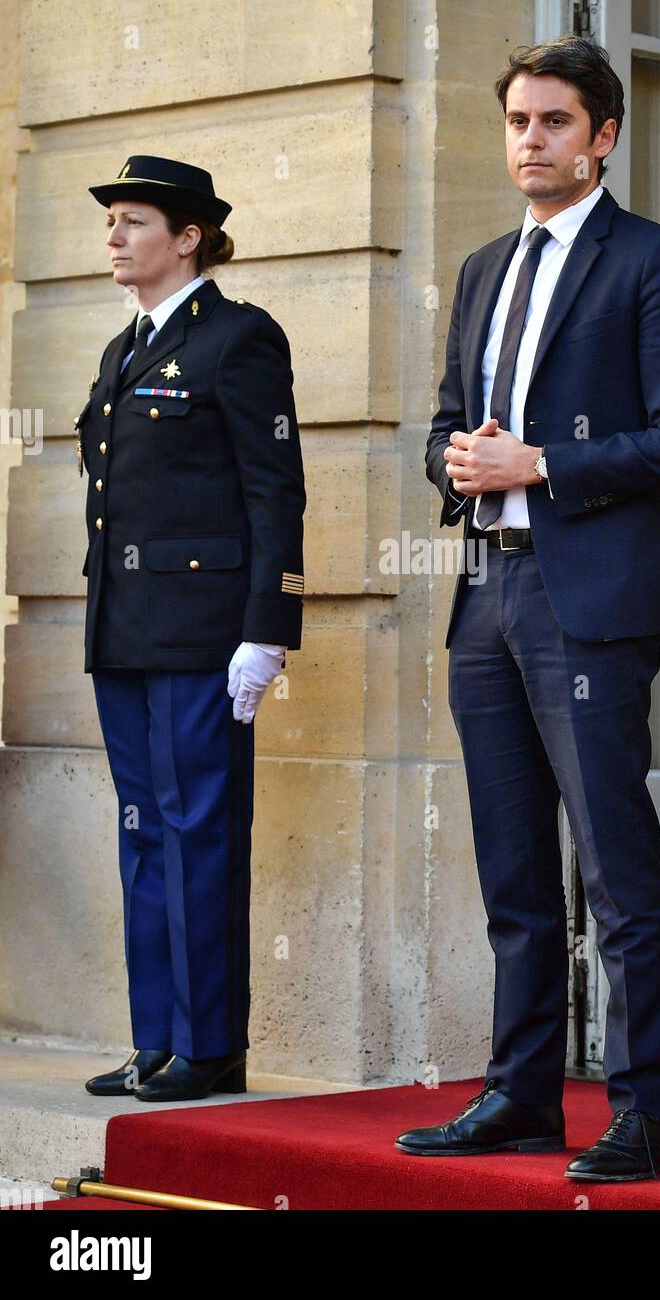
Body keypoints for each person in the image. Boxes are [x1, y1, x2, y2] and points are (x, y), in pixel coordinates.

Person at [396, 37, 660, 1180]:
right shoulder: (485, 266)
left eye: (550, 123)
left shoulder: (650, 259)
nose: (527, 141)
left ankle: (644, 1111)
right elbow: (442, 424)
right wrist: (461, 463)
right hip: (485, 596)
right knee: (513, 872)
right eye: (515, 123)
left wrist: (538, 464)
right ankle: (521, 1095)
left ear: (602, 138)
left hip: (588, 600)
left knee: (615, 866)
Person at [74, 155, 305, 1102]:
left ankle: (210, 1046)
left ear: (188, 236)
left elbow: (274, 489)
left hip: (204, 634)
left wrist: (269, 626)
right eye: (113, 221)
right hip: (124, 630)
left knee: (199, 829)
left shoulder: (238, 339)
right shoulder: (123, 348)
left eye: (134, 220)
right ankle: (156, 1040)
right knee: (143, 835)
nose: (116, 236)